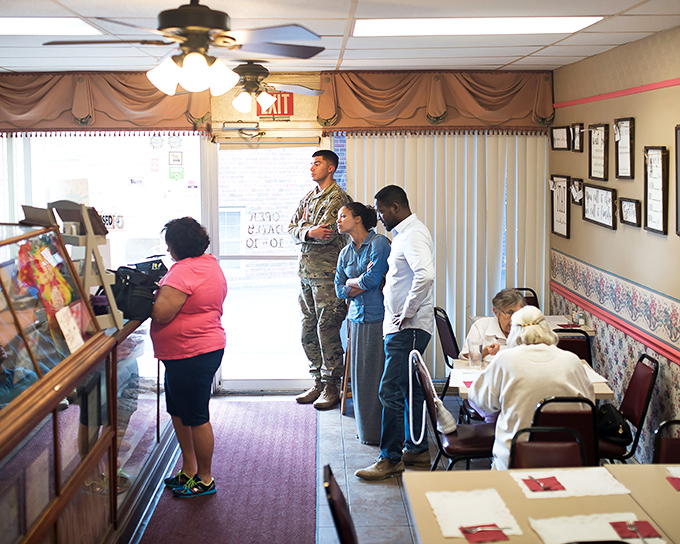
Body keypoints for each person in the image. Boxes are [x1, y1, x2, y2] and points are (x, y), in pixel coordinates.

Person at [355, 185, 435, 480]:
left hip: (408, 328)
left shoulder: (412, 235)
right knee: (409, 390)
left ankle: (390, 458)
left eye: (381, 211)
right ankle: (416, 449)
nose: (379, 217)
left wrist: (408, 311)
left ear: (396, 207)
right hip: (404, 327)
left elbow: (425, 274)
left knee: (389, 390)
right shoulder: (406, 234)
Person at [150, 217, 227, 498]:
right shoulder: (209, 263)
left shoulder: (182, 273)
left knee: (195, 416)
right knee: (179, 411)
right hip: (188, 352)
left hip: (192, 352)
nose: (168, 250)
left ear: (177, 245)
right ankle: (189, 469)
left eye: (169, 244)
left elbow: (161, 313)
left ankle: (205, 478)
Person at [468, 305, 595, 470]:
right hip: (567, 456)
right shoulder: (572, 361)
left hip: (516, 457)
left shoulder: (505, 360)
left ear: (513, 331)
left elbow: (482, 402)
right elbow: (588, 405)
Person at [288, 150, 352, 411]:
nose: (312, 168)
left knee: (327, 330)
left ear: (331, 168)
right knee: (308, 329)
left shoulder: (337, 198)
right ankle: (316, 380)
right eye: (311, 164)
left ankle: (332, 386)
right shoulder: (309, 197)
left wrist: (309, 230)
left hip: (327, 275)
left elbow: (325, 232)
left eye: (317, 164)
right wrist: (306, 230)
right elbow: (292, 228)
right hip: (306, 272)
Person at [335, 202, 391, 445]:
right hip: (355, 320)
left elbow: (374, 278)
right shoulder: (345, 252)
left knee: (375, 377)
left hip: (379, 319)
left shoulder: (379, 243)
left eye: (343, 215)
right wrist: (355, 284)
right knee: (359, 378)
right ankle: (366, 432)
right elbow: (339, 289)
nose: (338, 220)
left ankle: (380, 434)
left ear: (358, 219)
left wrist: (352, 282)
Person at [460, 288, 527, 362]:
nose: (514, 318)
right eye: (509, 313)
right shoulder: (481, 326)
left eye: (518, 313)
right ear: (496, 312)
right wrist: (485, 352)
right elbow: (465, 357)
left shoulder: (529, 328)